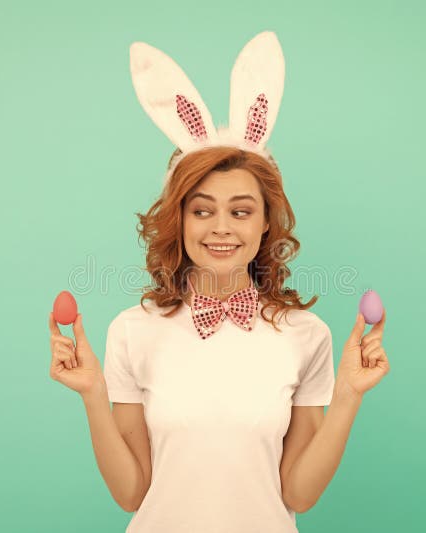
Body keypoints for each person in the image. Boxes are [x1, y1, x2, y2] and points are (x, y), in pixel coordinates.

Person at [48, 31, 390, 533]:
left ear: (265, 225)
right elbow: (131, 493)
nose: (222, 227)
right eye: (202, 210)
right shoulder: (131, 331)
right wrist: (93, 392)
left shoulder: (306, 335)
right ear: (180, 222)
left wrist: (348, 396)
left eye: (241, 211)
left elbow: (298, 493)